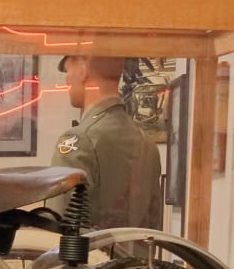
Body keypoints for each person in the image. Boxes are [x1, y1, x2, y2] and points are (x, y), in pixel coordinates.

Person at [49, 54, 163, 231]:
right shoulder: (147, 144)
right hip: (136, 250)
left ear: (82, 70)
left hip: (92, 250)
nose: (66, 80)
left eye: (68, 70)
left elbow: (58, 230)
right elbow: (152, 228)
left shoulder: (79, 141)